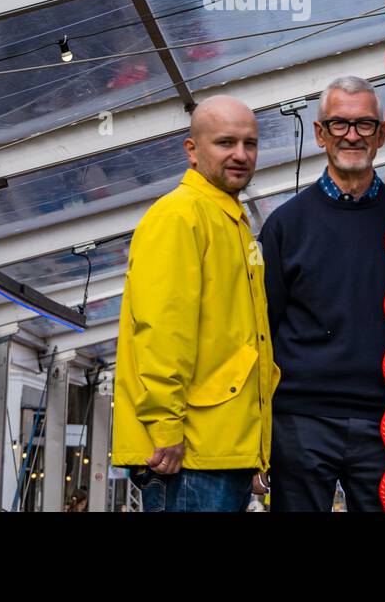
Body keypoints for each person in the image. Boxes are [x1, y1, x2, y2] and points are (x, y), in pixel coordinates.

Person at [261, 76, 385, 512]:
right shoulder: (285, 226)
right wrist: (256, 431)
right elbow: (260, 336)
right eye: (339, 124)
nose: (352, 135)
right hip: (300, 422)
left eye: (365, 125)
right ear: (319, 133)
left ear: (382, 135)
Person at [111, 95, 278, 512]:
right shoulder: (180, 216)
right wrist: (166, 426)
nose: (240, 155)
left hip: (218, 447)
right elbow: (161, 329)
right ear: (192, 150)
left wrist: (257, 449)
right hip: (188, 454)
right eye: (225, 143)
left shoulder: (229, 220)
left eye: (250, 144)